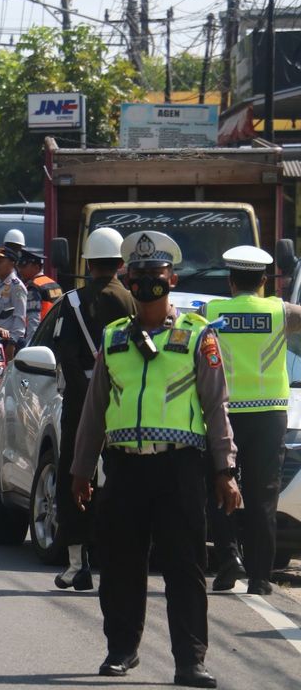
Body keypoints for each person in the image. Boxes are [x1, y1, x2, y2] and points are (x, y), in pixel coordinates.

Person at [71, 230, 240, 689]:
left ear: (173, 278)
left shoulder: (197, 335)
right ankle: (121, 651)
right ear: (128, 278)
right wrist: (81, 469)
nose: (147, 282)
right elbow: (94, 409)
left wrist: (225, 470)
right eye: (139, 275)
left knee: (184, 567)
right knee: (121, 565)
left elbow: (215, 406)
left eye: (156, 275)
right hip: (124, 467)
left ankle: (190, 661)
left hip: (179, 468)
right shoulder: (114, 338)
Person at [202, 245, 301, 596]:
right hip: (269, 415)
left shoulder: (210, 311)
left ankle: (228, 563)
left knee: (220, 485)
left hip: (223, 413)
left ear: (230, 281)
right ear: (263, 281)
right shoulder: (280, 311)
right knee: (263, 496)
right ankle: (260, 577)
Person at [48, 227, 135, 592]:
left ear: (87, 263)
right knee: (120, 481)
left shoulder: (71, 303)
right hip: (126, 406)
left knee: (75, 475)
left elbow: (64, 356)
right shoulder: (133, 303)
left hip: (81, 406)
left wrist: (87, 400)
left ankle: (75, 564)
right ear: (119, 263)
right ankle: (117, 559)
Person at [0, 243, 27, 357]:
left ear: (12, 263)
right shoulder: (0, 284)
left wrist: (12, 344)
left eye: (0, 261)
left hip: (9, 343)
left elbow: (20, 318)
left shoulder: (16, 286)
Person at [17, 248, 62, 339]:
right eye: (20, 266)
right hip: (55, 334)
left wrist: (31, 344)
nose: (20, 270)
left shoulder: (33, 287)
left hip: (41, 336)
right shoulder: (55, 284)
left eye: (24, 266)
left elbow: (33, 319)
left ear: (36, 267)